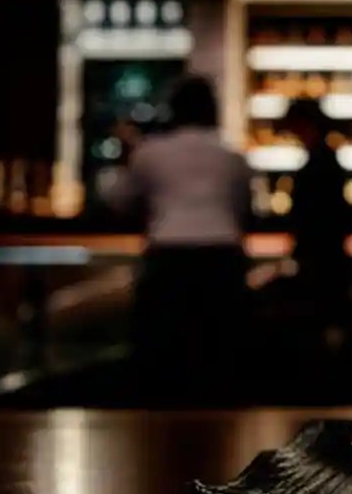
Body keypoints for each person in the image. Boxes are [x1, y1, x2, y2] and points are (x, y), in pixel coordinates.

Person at [105, 75, 253, 400]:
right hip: (222, 256)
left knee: (165, 353)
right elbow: (245, 208)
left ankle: (165, 424)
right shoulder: (232, 157)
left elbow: (119, 202)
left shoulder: (150, 153)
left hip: (169, 255)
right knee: (217, 351)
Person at [280, 99, 352, 377]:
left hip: (318, 254)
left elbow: (310, 212)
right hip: (331, 253)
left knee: (317, 315)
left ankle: (320, 373)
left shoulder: (316, 163)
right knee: (329, 315)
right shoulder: (328, 159)